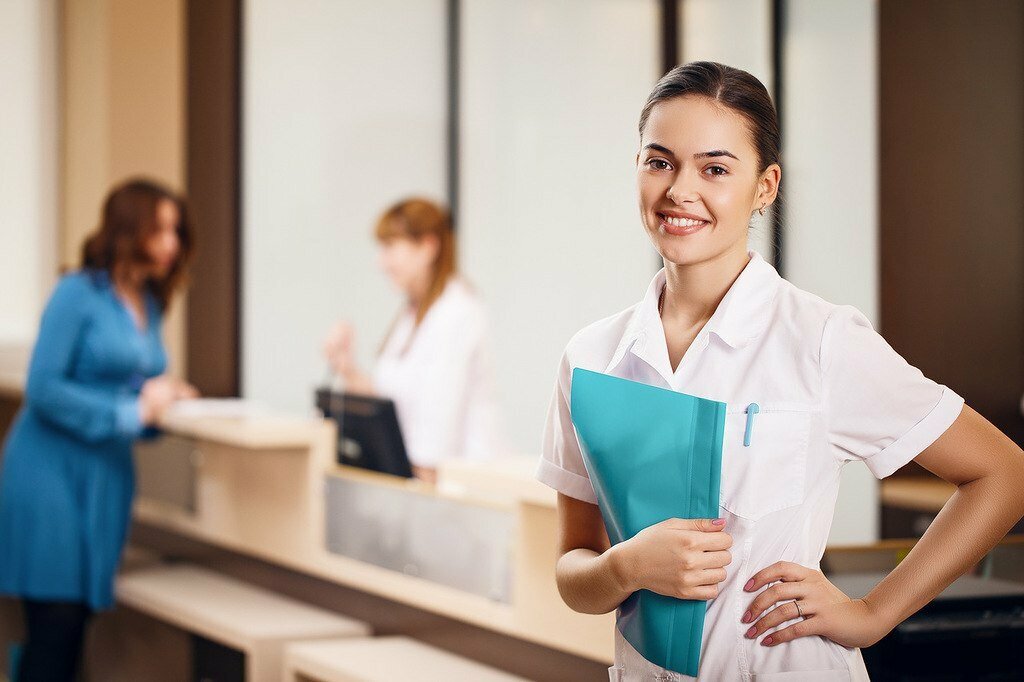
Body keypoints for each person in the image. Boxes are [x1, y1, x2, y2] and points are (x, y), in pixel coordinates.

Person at [537, 61, 1024, 680]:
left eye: (715, 168)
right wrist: (626, 566)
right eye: (659, 161)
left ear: (764, 187)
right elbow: (573, 573)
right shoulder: (591, 357)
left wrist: (873, 614)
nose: (680, 190)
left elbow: (1002, 474)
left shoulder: (821, 341)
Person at [0, 179, 197, 681]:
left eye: (176, 231)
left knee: (79, 619)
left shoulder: (148, 303)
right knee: (56, 624)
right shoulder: (77, 293)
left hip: (104, 477)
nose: (172, 243)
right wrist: (131, 413)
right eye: (161, 230)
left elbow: (132, 391)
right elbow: (43, 387)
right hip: (49, 474)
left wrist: (161, 403)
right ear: (129, 229)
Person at [324, 198, 501, 483]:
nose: (380, 262)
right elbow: (389, 404)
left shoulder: (457, 312)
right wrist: (346, 367)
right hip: (414, 480)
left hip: (460, 489)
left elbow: (435, 432)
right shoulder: (413, 315)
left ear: (428, 247)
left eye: (390, 247)